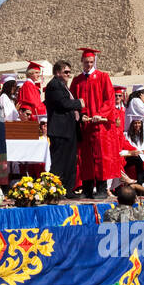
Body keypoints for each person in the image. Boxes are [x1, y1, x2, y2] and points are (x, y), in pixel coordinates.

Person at [70, 48, 116, 199]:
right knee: (86, 158)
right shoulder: (77, 81)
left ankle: (102, 189)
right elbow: (73, 102)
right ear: (81, 62)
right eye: (86, 62)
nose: (88, 65)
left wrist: (100, 114)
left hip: (99, 126)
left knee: (101, 157)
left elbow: (109, 100)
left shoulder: (103, 77)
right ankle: (87, 189)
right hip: (85, 126)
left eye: (91, 62)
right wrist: (80, 115)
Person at [44, 59, 81, 192]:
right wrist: (79, 103)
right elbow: (64, 103)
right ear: (57, 72)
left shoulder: (63, 85)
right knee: (59, 163)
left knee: (70, 162)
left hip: (68, 130)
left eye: (69, 72)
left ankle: (68, 190)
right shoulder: (54, 85)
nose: (68, 74)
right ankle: (53, 190)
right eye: (66, 72)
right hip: (60, 131)